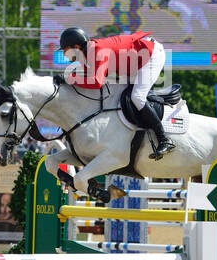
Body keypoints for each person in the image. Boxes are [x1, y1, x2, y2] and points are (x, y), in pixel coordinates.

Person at [59, 25, 174, 159]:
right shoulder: (86, 55)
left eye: (65, 50)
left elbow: (96, 82)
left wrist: (70, 79)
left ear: (76, 47)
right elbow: (86, 80)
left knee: (137, 97)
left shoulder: (97, 50)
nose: (64, 54)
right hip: (135, 61)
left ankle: (164, 139)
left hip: (151, 54)